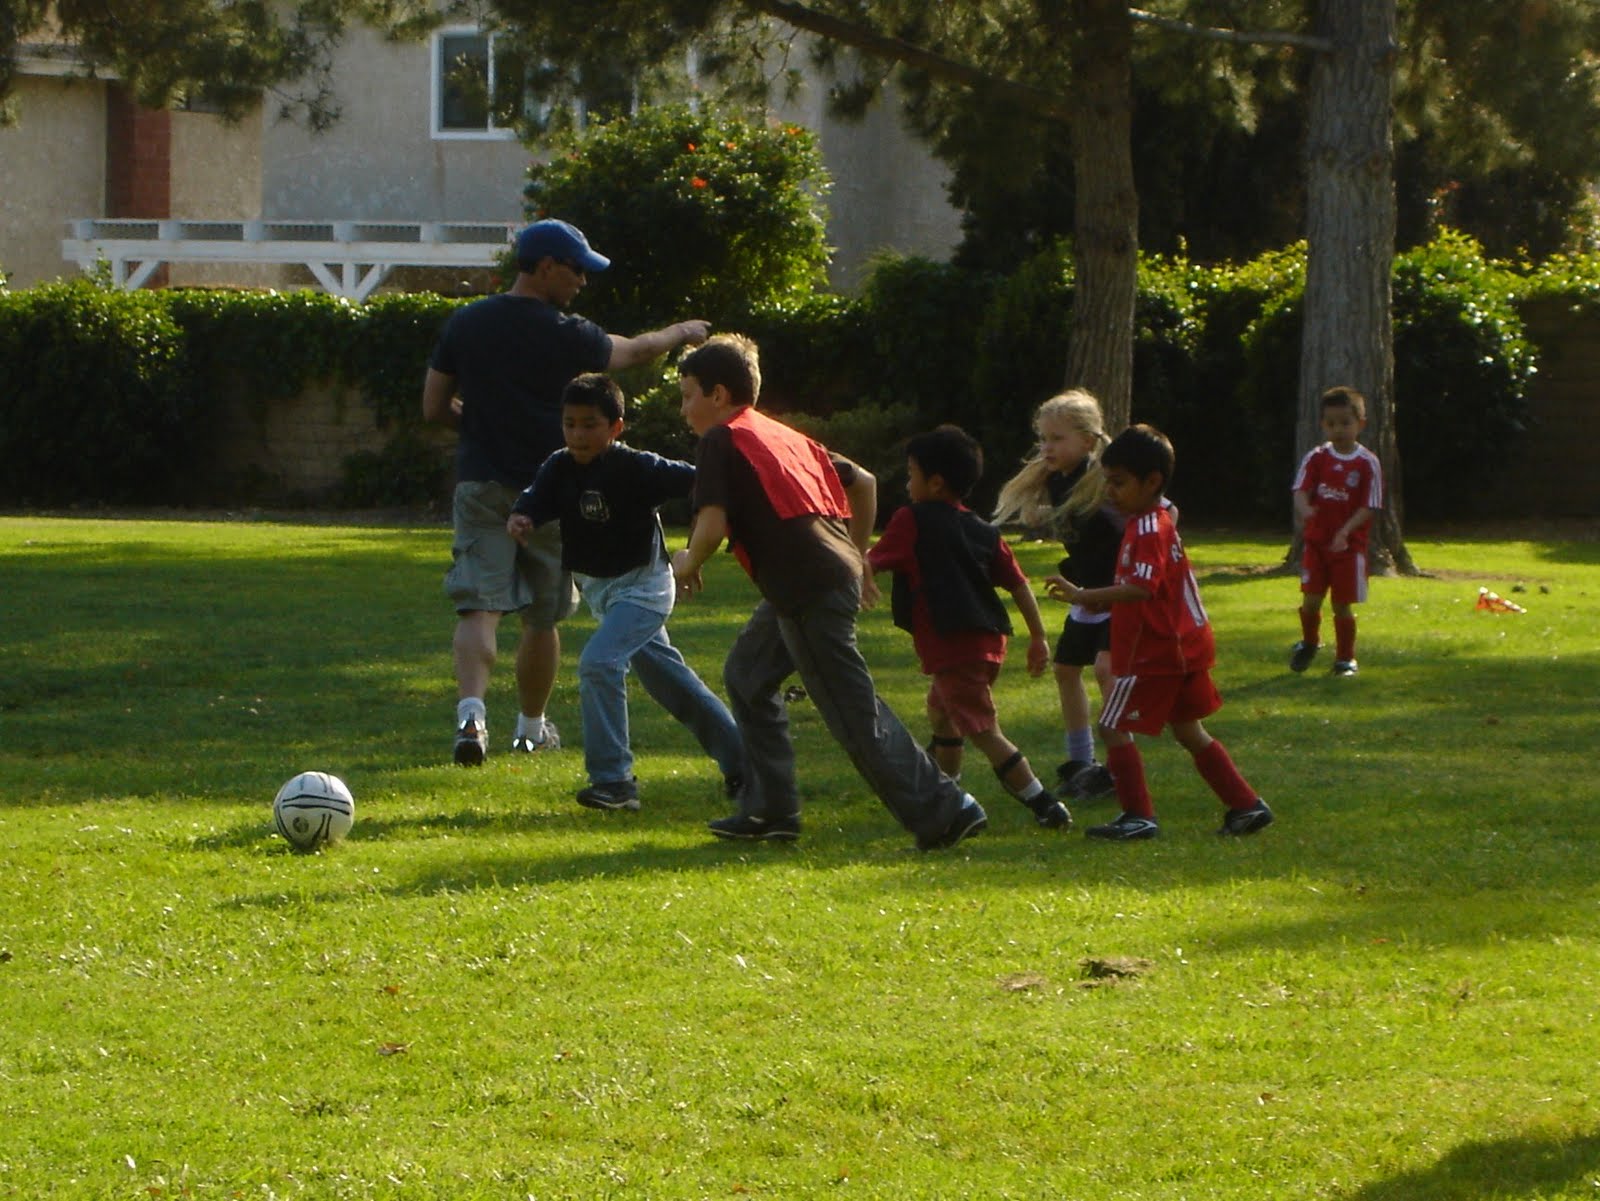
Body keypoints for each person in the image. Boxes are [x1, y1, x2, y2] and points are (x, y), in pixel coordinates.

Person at [670, 334, 987, 850]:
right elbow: (862, 481)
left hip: (806, 586)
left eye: (688, 395)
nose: (684, 410)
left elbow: (711, 526)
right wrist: (854, 555)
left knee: (849, 709)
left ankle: (946, 809)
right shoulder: (780, 433)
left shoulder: (722, 438)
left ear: (720, 395)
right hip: (813, 578)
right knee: (748, 675)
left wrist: (687, 562)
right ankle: (770, 810)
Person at [422, 218, 709, 766]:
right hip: (554, 490)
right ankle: (530, 729)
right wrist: (681, 332)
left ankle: (470, 717)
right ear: (546, 267)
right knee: (542, 616)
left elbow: (433, 407)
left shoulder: (466, 323)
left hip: (481, 485)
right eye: (576, 269)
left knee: (479, 607)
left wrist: (480, 429)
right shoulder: (565, 330)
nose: (581, 280)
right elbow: (632, 352)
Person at [506, 373, 745, 811]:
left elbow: (704, 482)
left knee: (599, 663)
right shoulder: (558, 466)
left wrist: (696, 547)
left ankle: (613, 782)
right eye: (570, 423)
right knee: (673, 684)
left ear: (616, 427)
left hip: (644, 589)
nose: (578, 434)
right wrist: (521, 518)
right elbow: (533, 500)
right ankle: (746, 765)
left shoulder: (637, 466)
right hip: (600, 591)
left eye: (590, 424)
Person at [1047, 424, 1274, 841]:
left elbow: (1142, 588)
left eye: (1117, 483)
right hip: (1185, 645)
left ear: (1151, 482)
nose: (1109, 492)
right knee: (1188, 730)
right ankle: (1245, 805)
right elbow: (1149, 586)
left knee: (1112, 725)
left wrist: (1084, 592)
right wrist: (1096, 599)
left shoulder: (1149, 527)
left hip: (1158, 650)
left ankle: (1138, 815)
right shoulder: (1149, 522)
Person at [866, 425, 1070, 830]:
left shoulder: (912, 520)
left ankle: (1044, 803)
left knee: (983, 730)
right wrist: (1038, 638)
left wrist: (862, 573)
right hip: (987, 641)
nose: (907, 484)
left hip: (953, 644)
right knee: (941, 715)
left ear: (936, 482)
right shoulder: (982, 530)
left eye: (911, 474)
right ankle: (949, 792)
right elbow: (1018, 584)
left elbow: (871, 560)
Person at [993, 390, 1121, 803]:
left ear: (1087, 441)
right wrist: (1044, 516)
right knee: (1066, 669)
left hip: (1117, 594)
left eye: (1057, 438)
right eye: (1043, 438)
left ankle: (1119, 765)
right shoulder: (1056, 479)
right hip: (1085, 593)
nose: (1047, 447)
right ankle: (1081, 762)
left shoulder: (1107, 479)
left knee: (1106, 672)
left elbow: (1164, 510)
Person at [1289, 386, 1384, 677]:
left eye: (1345, 423)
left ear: (1360, 424)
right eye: (1331, 423)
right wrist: (1305, 510)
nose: (1338, 429)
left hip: (1348, 548)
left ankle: (1345, 659)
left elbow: (1371, 504)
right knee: (1311, 599)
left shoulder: (1367, 463)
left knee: (1341, 604)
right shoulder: (1316, 458)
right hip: (1317, 544)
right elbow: (1300, 490)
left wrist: (1346, 531)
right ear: (1323, 424)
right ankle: (1309, 641)